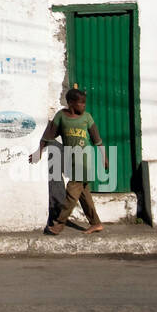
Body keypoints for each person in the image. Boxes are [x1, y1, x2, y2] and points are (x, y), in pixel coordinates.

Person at [29, 86, 109, 235]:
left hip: (84, 160)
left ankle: (59, 224)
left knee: (71, 194)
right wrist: (39, 151)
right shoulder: (61, 116)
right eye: (81, 103)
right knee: (84, 195)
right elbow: (48, 135)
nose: (83, 106)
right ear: (71, 103)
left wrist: (104, 156)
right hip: (71, 160)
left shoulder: (87, 118)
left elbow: (97, 140)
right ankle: (96, 223)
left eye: (85, 103)